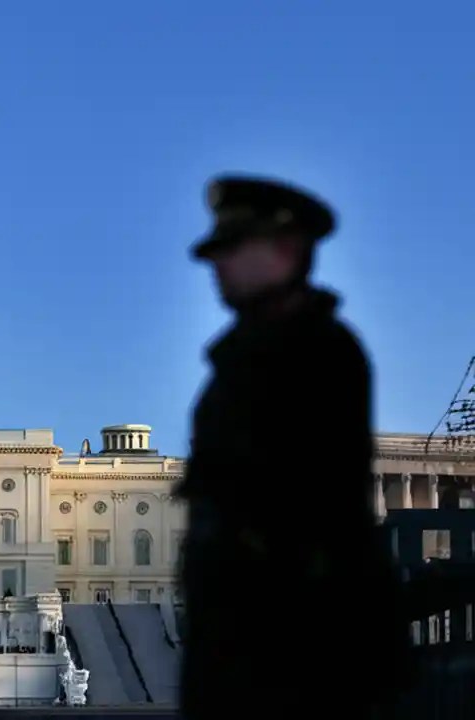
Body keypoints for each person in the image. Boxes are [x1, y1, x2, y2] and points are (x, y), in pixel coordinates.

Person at [174, 175, 409, 719]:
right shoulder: (244, 356)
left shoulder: (316, 353)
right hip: (246, 641)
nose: (217, 266)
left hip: (292, 647)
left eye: (232, 249)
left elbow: (303, 509)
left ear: (286, 250)